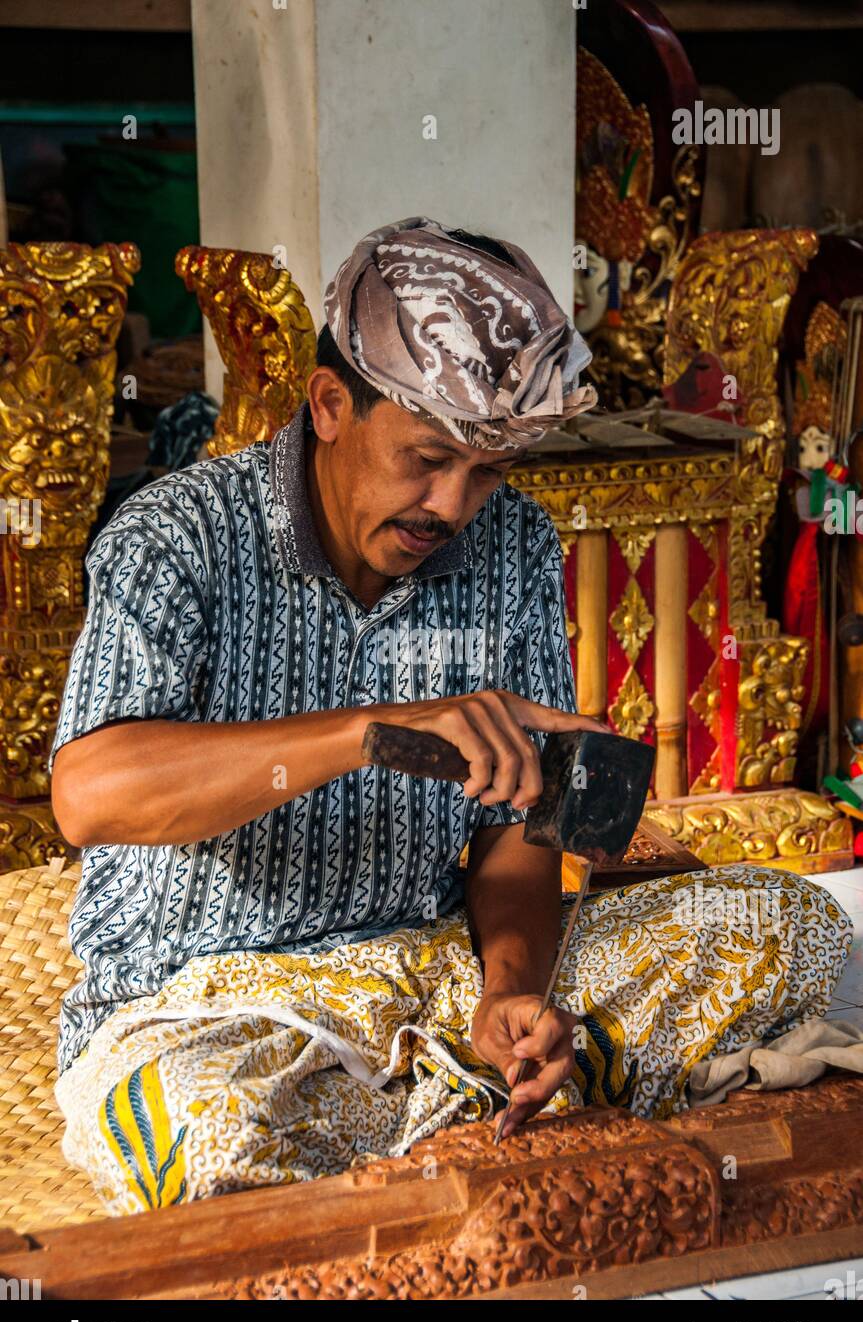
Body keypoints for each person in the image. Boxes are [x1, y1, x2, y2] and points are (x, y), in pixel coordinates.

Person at [50, 218, 851, 1213]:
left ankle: (450, 1095)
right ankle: (460, 1119)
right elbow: (90, 795)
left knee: (786, 924)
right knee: (201, 1115)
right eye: (425, 458)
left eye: (486, 471)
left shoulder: (509, 543)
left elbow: (516, 828)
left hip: (429, 971)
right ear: (330, 403)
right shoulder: (177, 539)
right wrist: (368, 732)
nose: (450, 505)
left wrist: (506, 990)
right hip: (211, 1004)